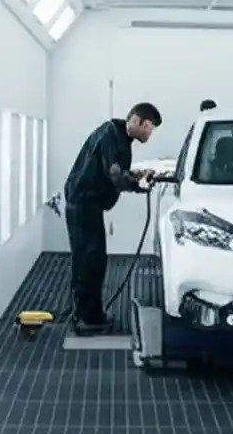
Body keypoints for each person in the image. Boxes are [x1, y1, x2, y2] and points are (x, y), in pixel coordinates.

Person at [62, 103, 163, 336]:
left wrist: (137, 179)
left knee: (89, 260)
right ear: (137, 121)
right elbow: (116, 176)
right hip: (83, 205)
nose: (149, 133)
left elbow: (115, 172)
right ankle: (86, 319)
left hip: (87, 205)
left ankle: (84, 314)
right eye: (149, 127)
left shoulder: (117, 136)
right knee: (90, 261)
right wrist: (140, 183)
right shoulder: (112, 136)